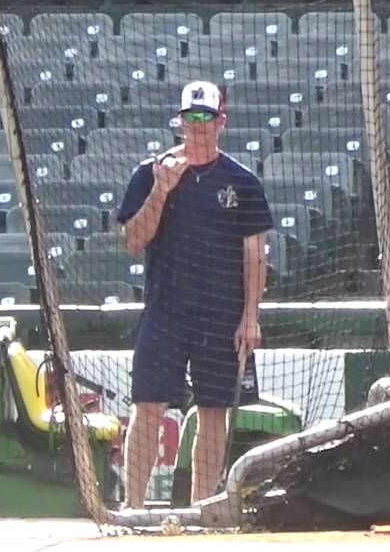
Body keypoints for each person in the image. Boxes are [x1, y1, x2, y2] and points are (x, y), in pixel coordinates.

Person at [117, 80, 274, 508]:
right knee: (148, 406)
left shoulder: (241, 182)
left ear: (222, 121)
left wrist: (250, 317)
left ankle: (204, 507)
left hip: (222, 315)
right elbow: (132, 241)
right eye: (191, 117)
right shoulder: (148, 173)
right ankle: (133, 507)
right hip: (165, 311)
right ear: (180, 121)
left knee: (213, 412)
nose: (199, 126)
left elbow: (255, 255)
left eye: (207, 117)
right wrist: (161, 190)